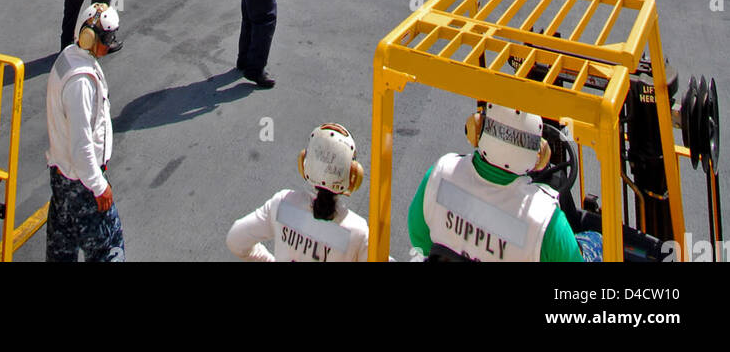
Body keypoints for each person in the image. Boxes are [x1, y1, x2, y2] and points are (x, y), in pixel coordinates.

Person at [407, 103, 583, 262]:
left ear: (477, 129)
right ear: (539, 156)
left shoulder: (440, 173)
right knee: (595, 240)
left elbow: (420, 240)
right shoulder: (546, 219)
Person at [46, 1, 125, 262]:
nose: (110, 44)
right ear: (90, 37)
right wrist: (99, 186)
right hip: (82, 186)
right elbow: (82, 145)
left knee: (62, 249)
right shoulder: (80, 82)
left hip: (62, 180)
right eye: (107, 38)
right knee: (109, 247)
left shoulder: (69, 56)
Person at [226, 122, 368, 262]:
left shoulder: (283, 203)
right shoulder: (357, 232)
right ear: (352, 175)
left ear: (305, 164)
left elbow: (235, 240)